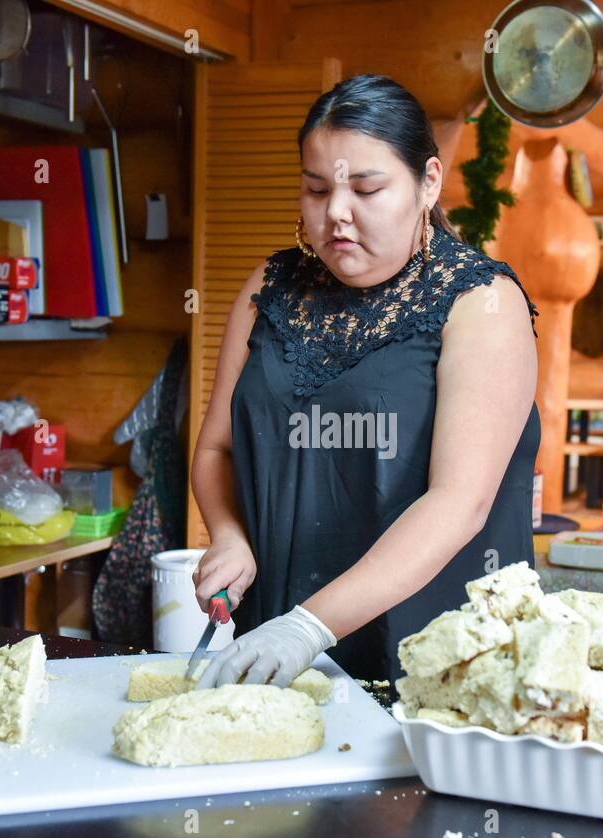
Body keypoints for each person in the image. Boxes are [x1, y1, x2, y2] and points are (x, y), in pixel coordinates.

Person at [190, 73, 541, 689]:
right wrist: (228, 535)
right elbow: (217, 447)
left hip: (433, 654)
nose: (336, 215)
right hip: (280, 641)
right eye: (316, 188)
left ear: (427, 182)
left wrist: (307, 626)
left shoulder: (482, 302)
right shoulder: (269, 289)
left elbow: (461, 503)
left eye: (367, 188)